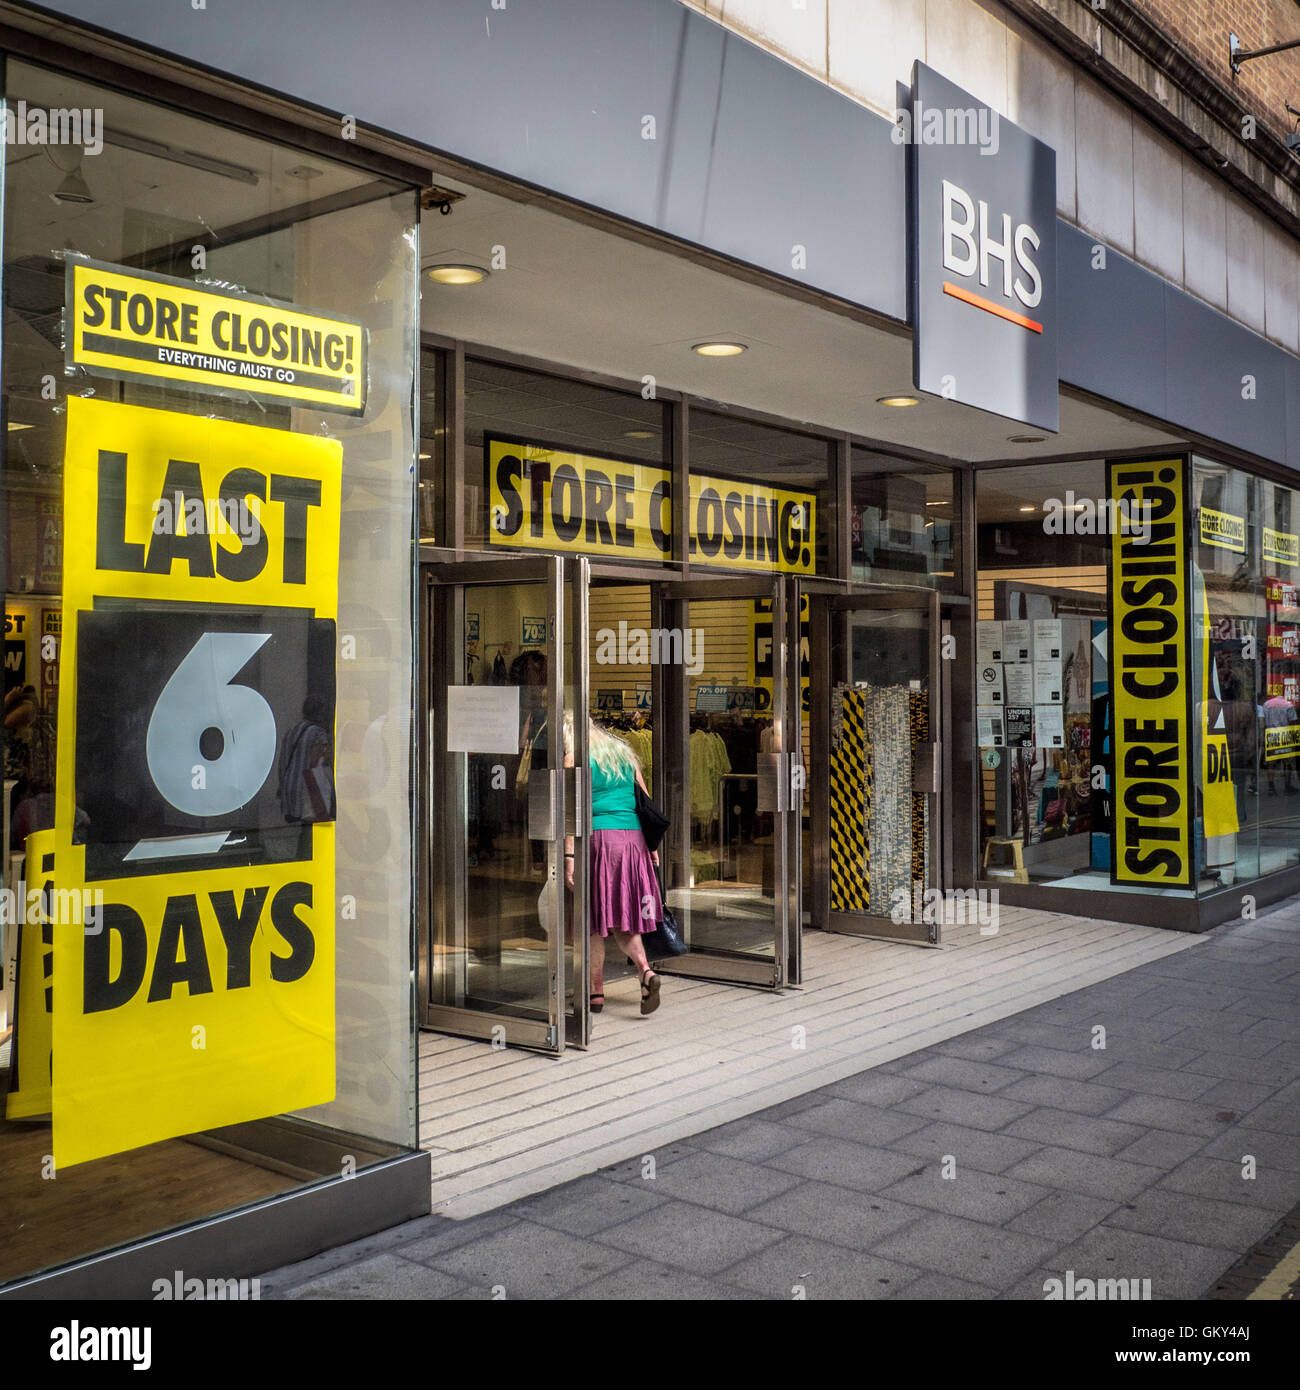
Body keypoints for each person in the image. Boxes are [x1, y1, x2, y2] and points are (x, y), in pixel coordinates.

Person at [563, 713, 664, 1016]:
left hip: (598, 841)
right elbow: (644, 801)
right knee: (627, 917)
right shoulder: (624, 752)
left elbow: (571, 810)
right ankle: (645, 972)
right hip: (633, 840)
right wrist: (651, 846)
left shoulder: (575, 757)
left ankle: (595, 993)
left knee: (594, 920)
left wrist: (569, 857)